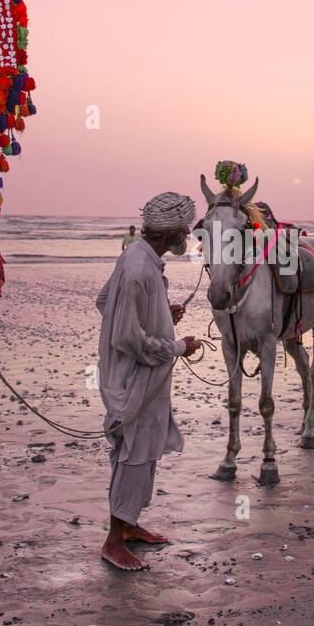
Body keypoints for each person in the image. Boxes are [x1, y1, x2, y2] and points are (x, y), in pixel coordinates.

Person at [95, 193, 200, 571]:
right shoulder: (139, 268)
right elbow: (126, 337)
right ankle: (112, 541)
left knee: (144, 449)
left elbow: (105, 302)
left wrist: (161, 313)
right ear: (171, 231)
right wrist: (176, 345)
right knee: (135, 455)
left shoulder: (140, 258)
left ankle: (129, 527)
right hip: (134, 377)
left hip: (145, 375)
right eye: (185, 227)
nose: (188, 232)